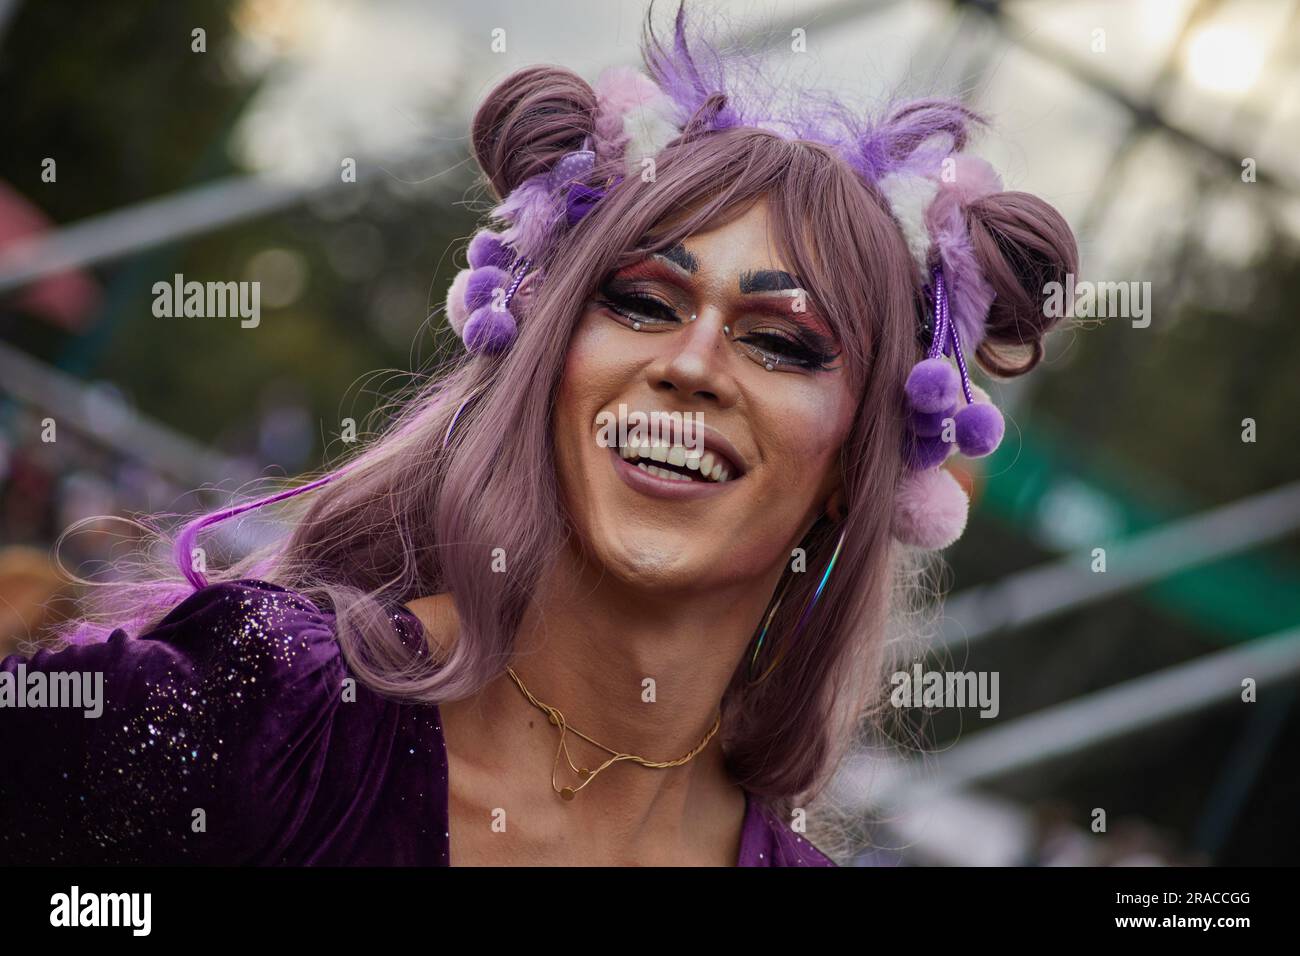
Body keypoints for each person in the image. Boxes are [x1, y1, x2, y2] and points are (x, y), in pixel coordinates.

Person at [0, 1, 1078, 866]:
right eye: (644, 303)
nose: (691, 363)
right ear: (546, 358)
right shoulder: (253, 715)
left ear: (859, 464)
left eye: (783, 342)